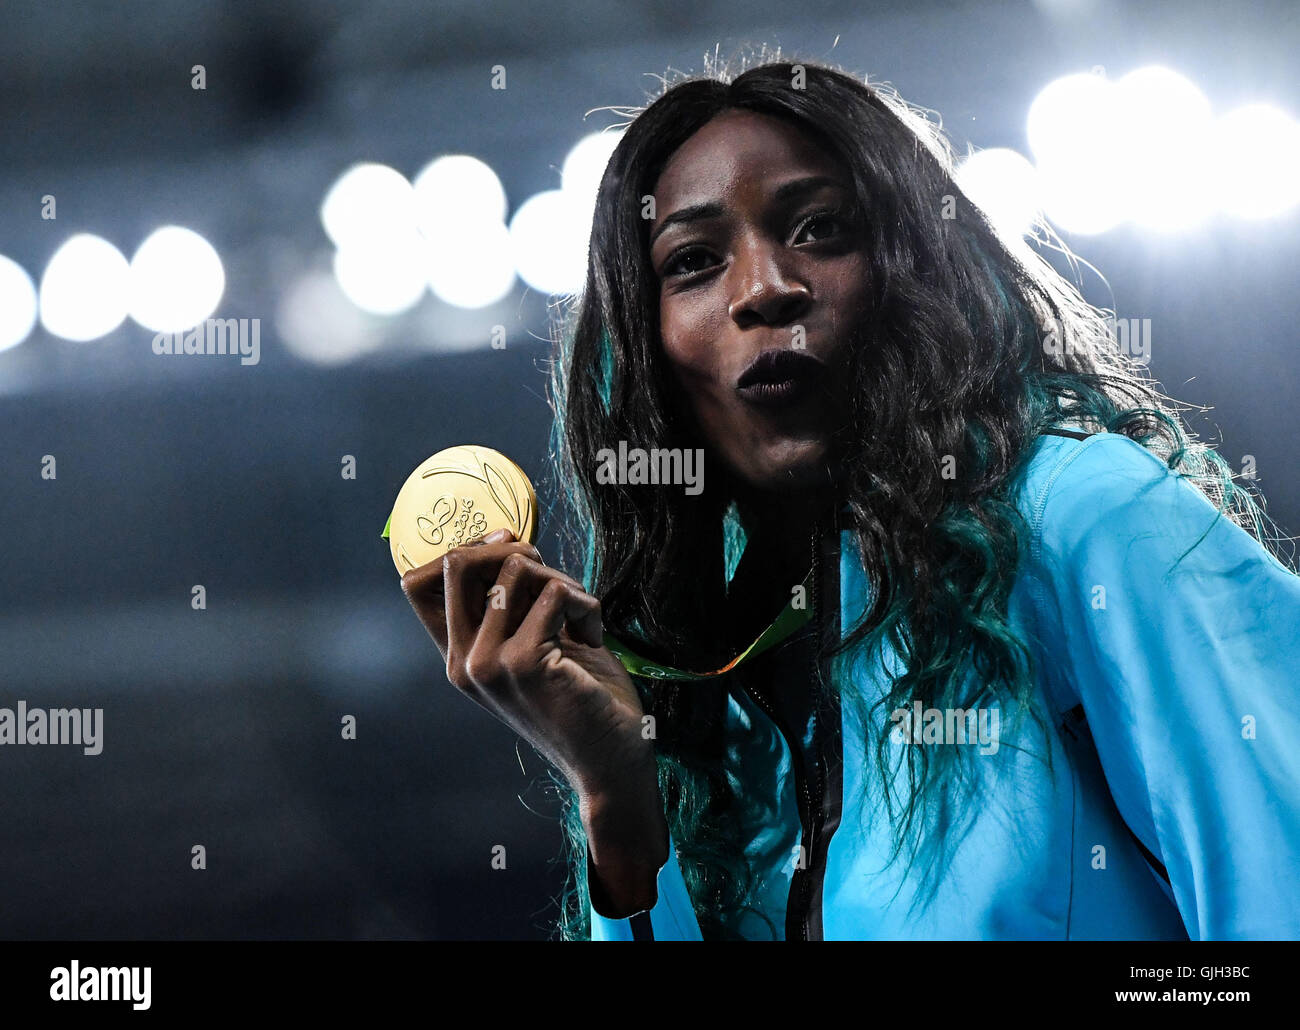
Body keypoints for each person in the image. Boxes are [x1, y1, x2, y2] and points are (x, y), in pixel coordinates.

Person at [399, 51, 1300, 940]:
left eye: (822, 230)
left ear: (913, 269)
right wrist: (616, 801)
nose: (765, 289)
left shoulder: (1086, 518)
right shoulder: (722, 681)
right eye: (696, 261)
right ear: (646, 343)